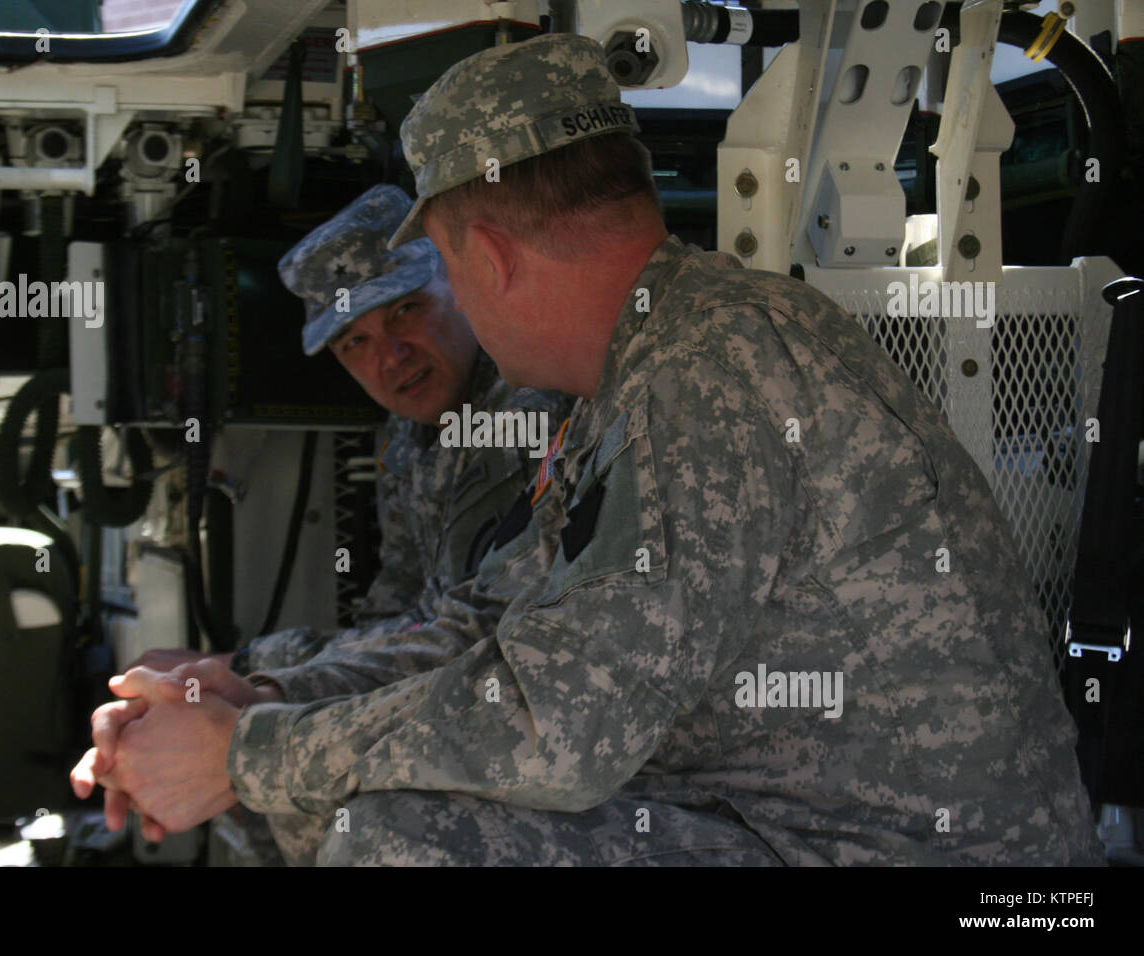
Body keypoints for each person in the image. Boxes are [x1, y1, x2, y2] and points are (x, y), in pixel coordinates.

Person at [82, 34, 1103, 866]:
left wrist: (250, 754)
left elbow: (554, 723)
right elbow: (490, 631)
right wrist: (257, 697)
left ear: (483, 255)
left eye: (437, 265)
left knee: (399, 839)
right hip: (785, 825)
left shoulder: (713, 366)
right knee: (338, 798)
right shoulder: (647, 362)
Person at [70, 183, 570, 853]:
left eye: (406, 311)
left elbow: (477, 639)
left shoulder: (526, 415)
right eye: (353, 343)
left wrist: (251, 689)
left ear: (462, 284)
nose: (388, 357)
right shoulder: (407, 442)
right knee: (256, 785)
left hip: (543, 716)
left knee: (297, 796)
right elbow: (396, 624)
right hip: (460, 697)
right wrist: (240, 674)